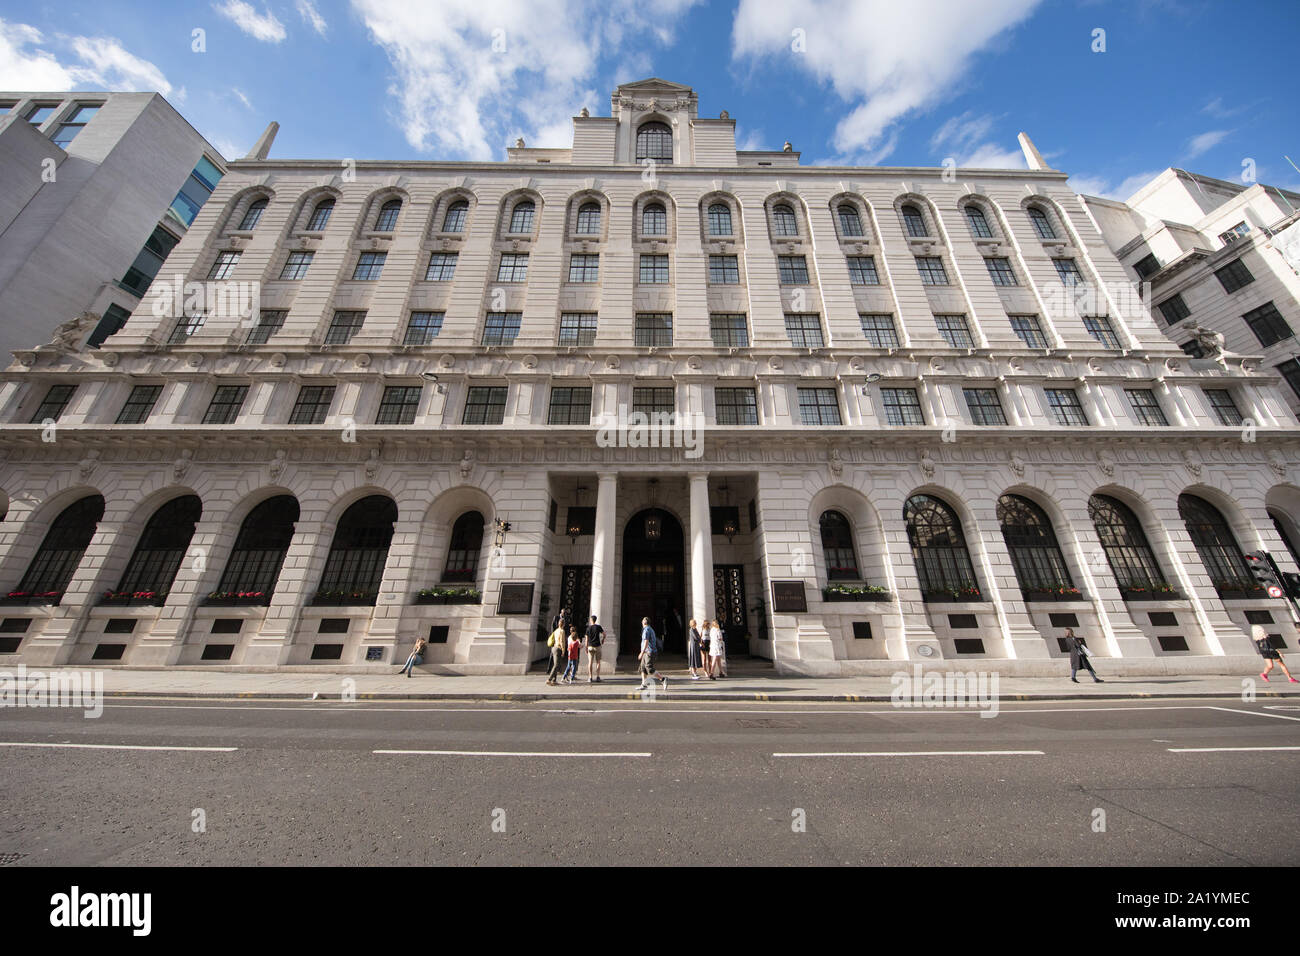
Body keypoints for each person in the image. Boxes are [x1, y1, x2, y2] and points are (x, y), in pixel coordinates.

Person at [638, 616, 668, 692]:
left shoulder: (646, 629)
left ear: (644, 622)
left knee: (649, 668)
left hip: (648, 652)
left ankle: (663, 679)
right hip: (646, 652)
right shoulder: (649, 629)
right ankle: (644, 684)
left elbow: (646, 641)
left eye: (642, 620)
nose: (642, 622)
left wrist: (641, 652)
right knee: (643, 668)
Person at [545, 620, 567, 686]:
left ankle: (554, 680)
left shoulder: (556, 631)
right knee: (556, 665)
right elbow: (562, 641)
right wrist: (563, 650)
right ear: (564, 624)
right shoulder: (562, 631)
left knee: (556, 664)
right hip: (558, 648)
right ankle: (549, 679)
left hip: (554, 648)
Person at [584, 614, 605, 683]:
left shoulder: (588, 628)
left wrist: (586, 647)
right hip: (597, 646)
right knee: (598, 662)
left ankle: (590, 677)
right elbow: (604, 634)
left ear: (591, 620)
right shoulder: (598, 627)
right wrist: (603, 640)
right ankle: (598, 676)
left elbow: (586, 639)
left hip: (590, 646)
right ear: (595, 620)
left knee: (590, 662)